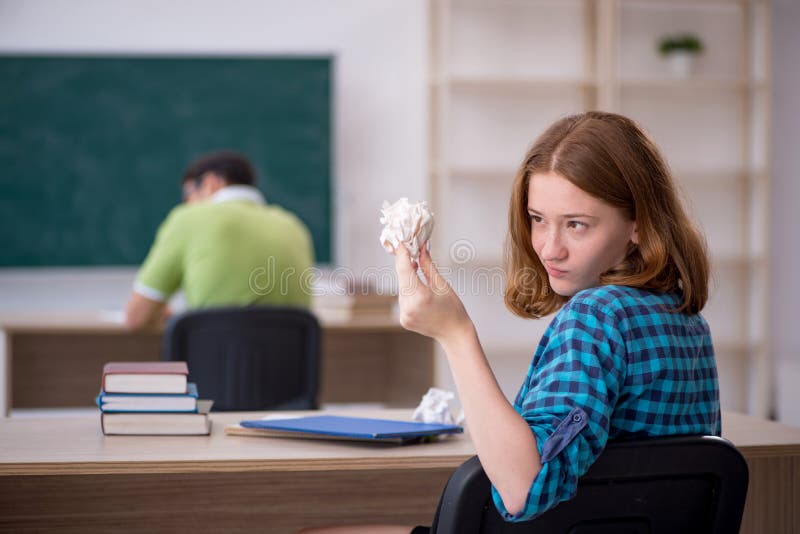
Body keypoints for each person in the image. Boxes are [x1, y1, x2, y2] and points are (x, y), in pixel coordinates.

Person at [296, 111, 719, 534]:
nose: (549, 249)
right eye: (537, 220)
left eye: (576, 225)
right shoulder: (685, 319)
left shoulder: (597, 316)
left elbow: (524, 486)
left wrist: (455, 333)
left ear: (638, 226)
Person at [125, 150, 314, 330]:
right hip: (287, 362)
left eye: (187, 194)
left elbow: (137, 318)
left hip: (211, 360)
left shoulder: (188, 218)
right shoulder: (294, 226)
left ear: (210, 183)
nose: (186, 203)